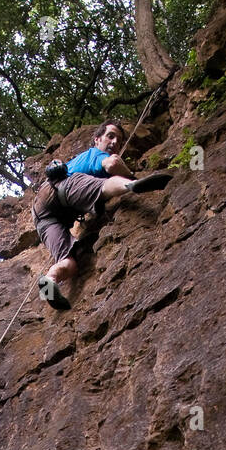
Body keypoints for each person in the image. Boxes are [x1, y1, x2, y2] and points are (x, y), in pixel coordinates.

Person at [33, 120, 172, 310]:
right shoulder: (95, 154)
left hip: (43, 215)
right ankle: (131, 186)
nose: (115, 142)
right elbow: (112, 163)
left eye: (120, 140)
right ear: (97, 139)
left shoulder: (76, 161)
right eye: (111, 136)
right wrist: (131, 176)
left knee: (69, 263)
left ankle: (49, 282)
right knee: (105, 185)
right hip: (63, 188)